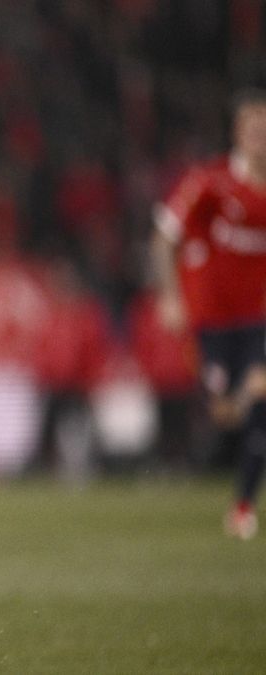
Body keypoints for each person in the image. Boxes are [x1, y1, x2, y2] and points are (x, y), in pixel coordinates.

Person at [152, 87, 266, 540]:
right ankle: (239, 400)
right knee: (226, 413)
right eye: (253, 127)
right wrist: (171, 295)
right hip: (214, 322)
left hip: (259, 318)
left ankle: (242, 506)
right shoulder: (210, 182)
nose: (260, 135)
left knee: (261, 400)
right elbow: (163, 237)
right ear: (238, 132)